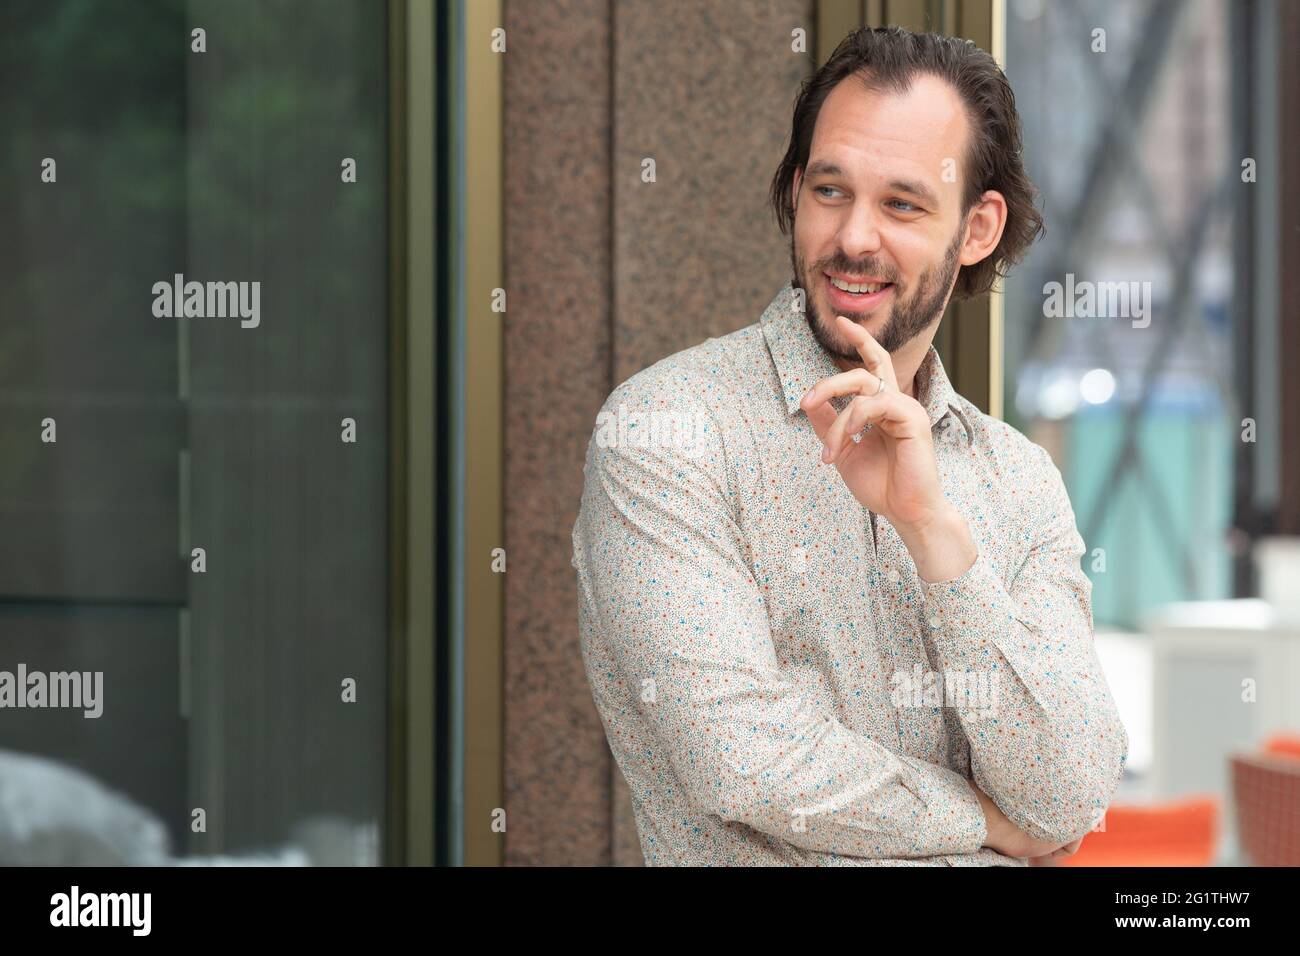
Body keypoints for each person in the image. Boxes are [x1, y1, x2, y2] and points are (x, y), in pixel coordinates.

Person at [572, 25, 1128, 865]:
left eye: (902, 204)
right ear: (796, 193)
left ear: (977, 229)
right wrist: (984, 820)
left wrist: (932, 529)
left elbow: (1070, 792)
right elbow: (743, 760)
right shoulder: (666, 433)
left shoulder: (1016, 479)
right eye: (831, 191)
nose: (855, 238)